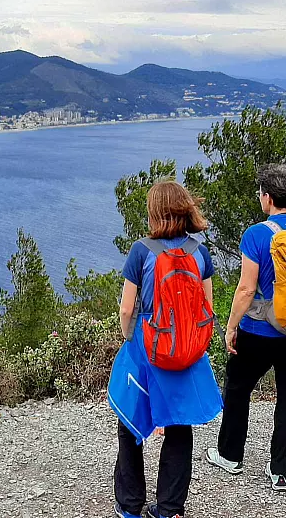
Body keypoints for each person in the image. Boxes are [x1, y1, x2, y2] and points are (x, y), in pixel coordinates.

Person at [205, 164, 286, 492]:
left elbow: (246, 289)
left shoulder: (257, 234)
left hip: (260, 331)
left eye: (261, 193)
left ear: (268, 198)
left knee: (237, 388)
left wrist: (231, 327)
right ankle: (281, 473)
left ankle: (230, 456)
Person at [108, 180, 223, 518]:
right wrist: (193, 344)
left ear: (155, 212)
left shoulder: (141, 250)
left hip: (147, 344)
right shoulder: (200, 253)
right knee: (179, 423)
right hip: (187, 349)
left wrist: (129, 340)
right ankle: (170, 507)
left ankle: (130, 506)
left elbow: (127, 309)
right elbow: (207, 307)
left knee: (129, 422)